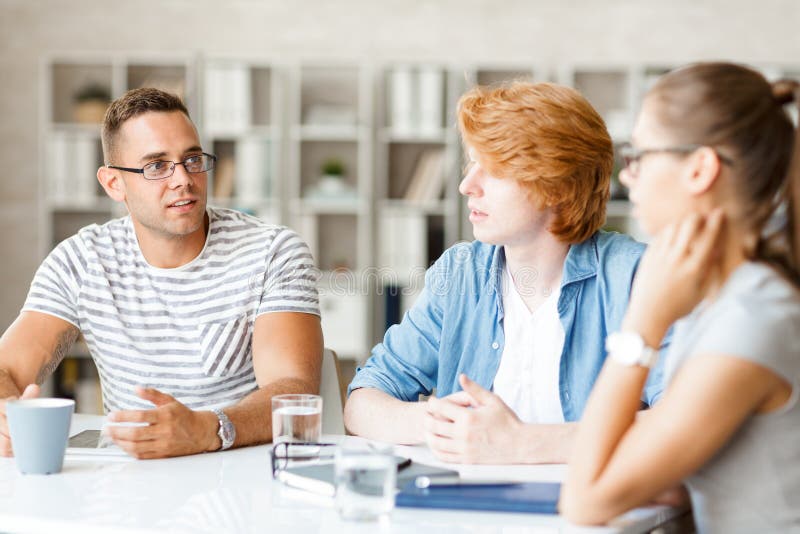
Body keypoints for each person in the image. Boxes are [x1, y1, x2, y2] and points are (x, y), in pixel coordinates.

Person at [345, 81, 668, 464]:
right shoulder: (461, 273)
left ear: (556, 186)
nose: (467, 186)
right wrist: (431, 422)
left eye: (494, 169)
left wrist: (520, 442)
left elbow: (681, 424)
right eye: (470, 163)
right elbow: (363, 399)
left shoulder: (634, 276)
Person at [0, 88, 323, 459]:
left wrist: (208, 429)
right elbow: (7, 367)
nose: (183, 179)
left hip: (240, 479)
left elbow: (294, 393)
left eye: (192, 159)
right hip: (130, 483)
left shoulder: (274, 253)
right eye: (156, 166)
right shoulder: (81, 260)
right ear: (113, 184)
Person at [561, 63, 800, 532]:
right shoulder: (720, 300)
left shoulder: (753, 319)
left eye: (639, 155)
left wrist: (642, 325)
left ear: (699, 168)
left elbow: (586, 501)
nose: (628, 178)